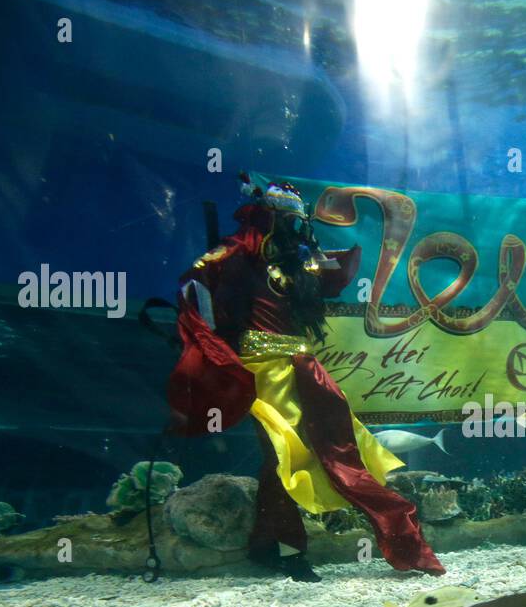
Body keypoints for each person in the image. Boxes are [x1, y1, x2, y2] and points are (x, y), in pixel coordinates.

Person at [165, 175, 444, 581]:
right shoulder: (234, 258)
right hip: (263, 372)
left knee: (343, 454)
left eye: (298, 222)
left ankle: (273, 547)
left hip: (304, 368)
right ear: (265, 218)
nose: (294, 229)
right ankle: (289, 551)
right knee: (284, 457)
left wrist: (307, 256)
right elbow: (200, 293)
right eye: (285, 220)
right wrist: (213, 349)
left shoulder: (295, 262)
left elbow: (333, 272)